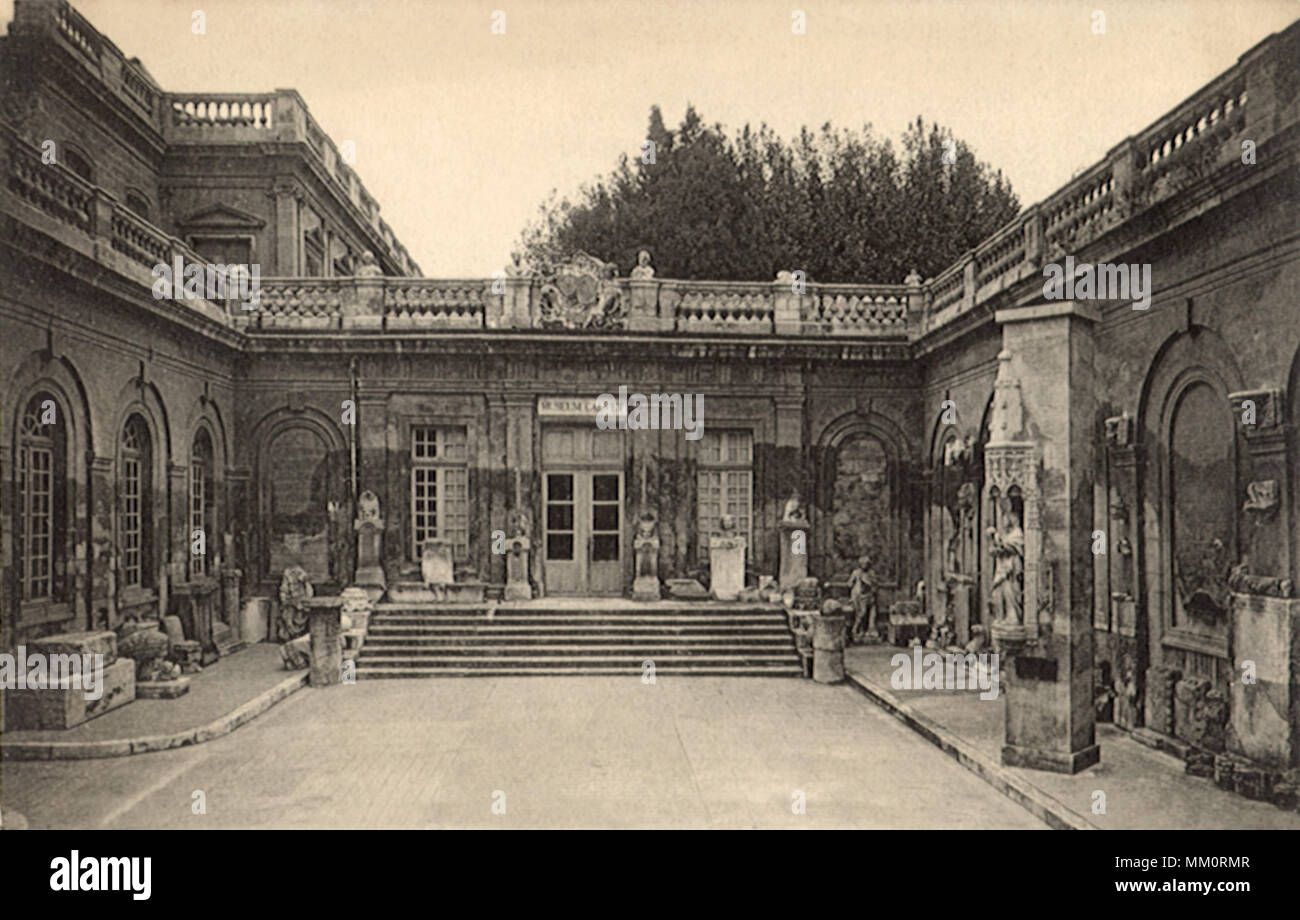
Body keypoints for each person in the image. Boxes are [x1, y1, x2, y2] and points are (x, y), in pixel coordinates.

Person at [848, 556, 879, 643]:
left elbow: (875, 584)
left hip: (869, 595)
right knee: (861, 613)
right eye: (863, 564)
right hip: (858, 595)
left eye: (866, 564)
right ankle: (856, 629)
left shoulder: (871, 573)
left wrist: (871, 585)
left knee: (871, 613)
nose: (865, 566)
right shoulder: (856, 573)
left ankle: (869, 630)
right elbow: (850, 583)